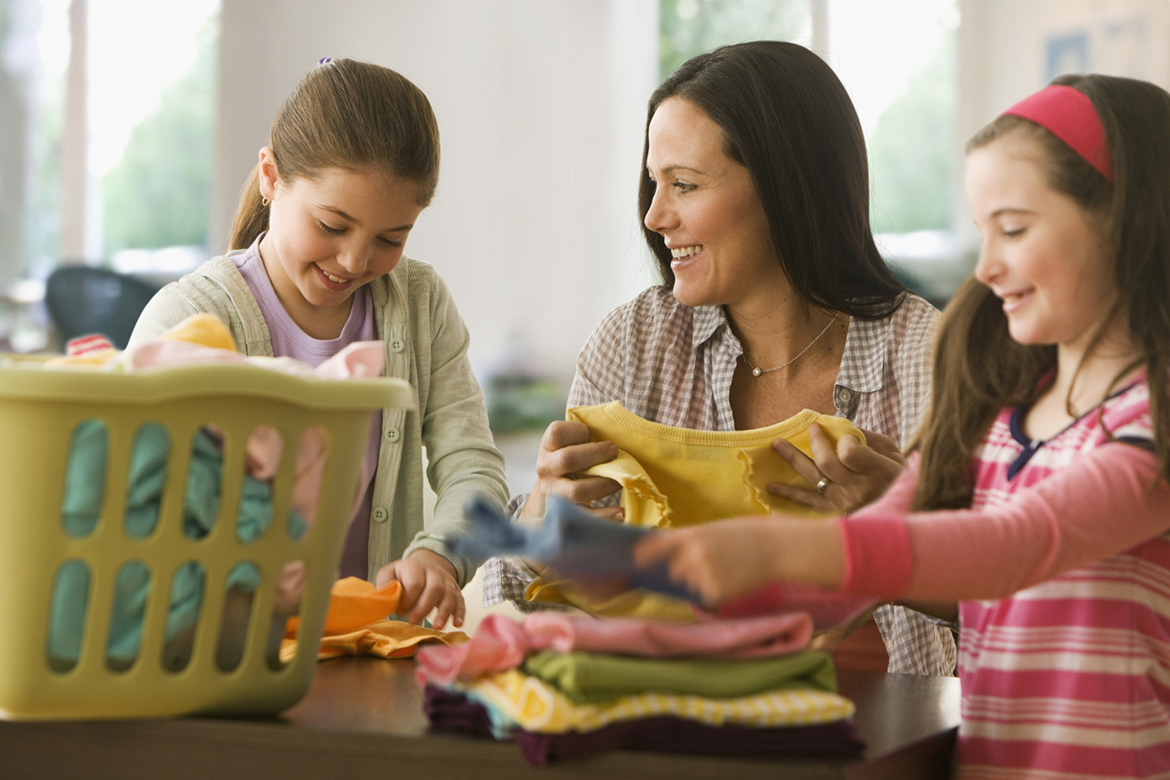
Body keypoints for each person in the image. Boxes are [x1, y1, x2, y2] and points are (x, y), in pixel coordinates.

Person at [635, 74, 1170, 777]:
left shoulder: (1149, 423)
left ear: (1123, 219)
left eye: (1013, 228)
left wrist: (776, 550)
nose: (985, 266)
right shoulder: (999, 408)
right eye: (982, 233)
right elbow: (856, 576)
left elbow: (1016, 545)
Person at [484, 41, 956, 677]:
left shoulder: (930, 360)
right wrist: (542, 521)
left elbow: (1035, 604)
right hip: (668, 732)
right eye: (654, 184)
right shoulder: (633, 345)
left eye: (685, 185)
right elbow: (512, 595)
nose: (654, 216)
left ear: (788, 187)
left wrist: (899, 550)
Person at [130, 57, 509, 631]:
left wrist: (440, 555)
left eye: (390, 238)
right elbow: (140, 511)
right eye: (333, 226)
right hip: (226, 653)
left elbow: (473, 465)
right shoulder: (192, 317)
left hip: (373, 649)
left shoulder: (421, 303)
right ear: (270, 176)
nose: (355, 260)